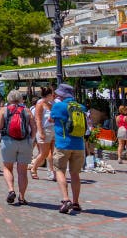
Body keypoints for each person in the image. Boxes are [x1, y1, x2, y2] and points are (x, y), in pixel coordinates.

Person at [50, 83, 87, 214]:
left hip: (63, 144)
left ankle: (66, 200)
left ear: (60, 95)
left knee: (59, 170)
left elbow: (50, 119)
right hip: (79, 145)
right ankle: (76, 202)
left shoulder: (58, 106)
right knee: (75, 174)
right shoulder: (81, 107)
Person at [0, 90, 36, 205]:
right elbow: (34, 128)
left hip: (8, 141)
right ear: (21, 99)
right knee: (22, 172)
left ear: (9, 99)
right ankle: (22, 197)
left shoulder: (4, 110)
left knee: (7, 167)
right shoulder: (27, 111)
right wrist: (31, 141)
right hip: (25, 142)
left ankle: (11, 190)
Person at [30, 86, 56, 180]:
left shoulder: (51, 104)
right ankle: (33, 168)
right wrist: (41, 132)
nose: (54, 95)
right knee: (44, 153)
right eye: (52, 93)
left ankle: (52, 172)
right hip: (45, 130)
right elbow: (38, 119)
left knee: (53, 153)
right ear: (48, 95)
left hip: (53, 130)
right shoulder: (40, 104)